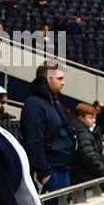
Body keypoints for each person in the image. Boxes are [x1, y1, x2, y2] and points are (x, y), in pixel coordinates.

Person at [19, 63, 73, 191]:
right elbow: (33, 140)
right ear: (47, 79)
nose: (63, 83)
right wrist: (44, 172)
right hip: (50, 171)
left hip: (62, 168)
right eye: (59, 79)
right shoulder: (34, 105)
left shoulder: (54, 102)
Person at [69, 102, 104, 184]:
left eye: (95, 117)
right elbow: (89, 156)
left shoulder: (74, 128)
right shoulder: (83, 133)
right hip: (83, 175)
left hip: (76, 173)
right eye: (90, 117)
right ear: (81, 118)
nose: (94, 120)